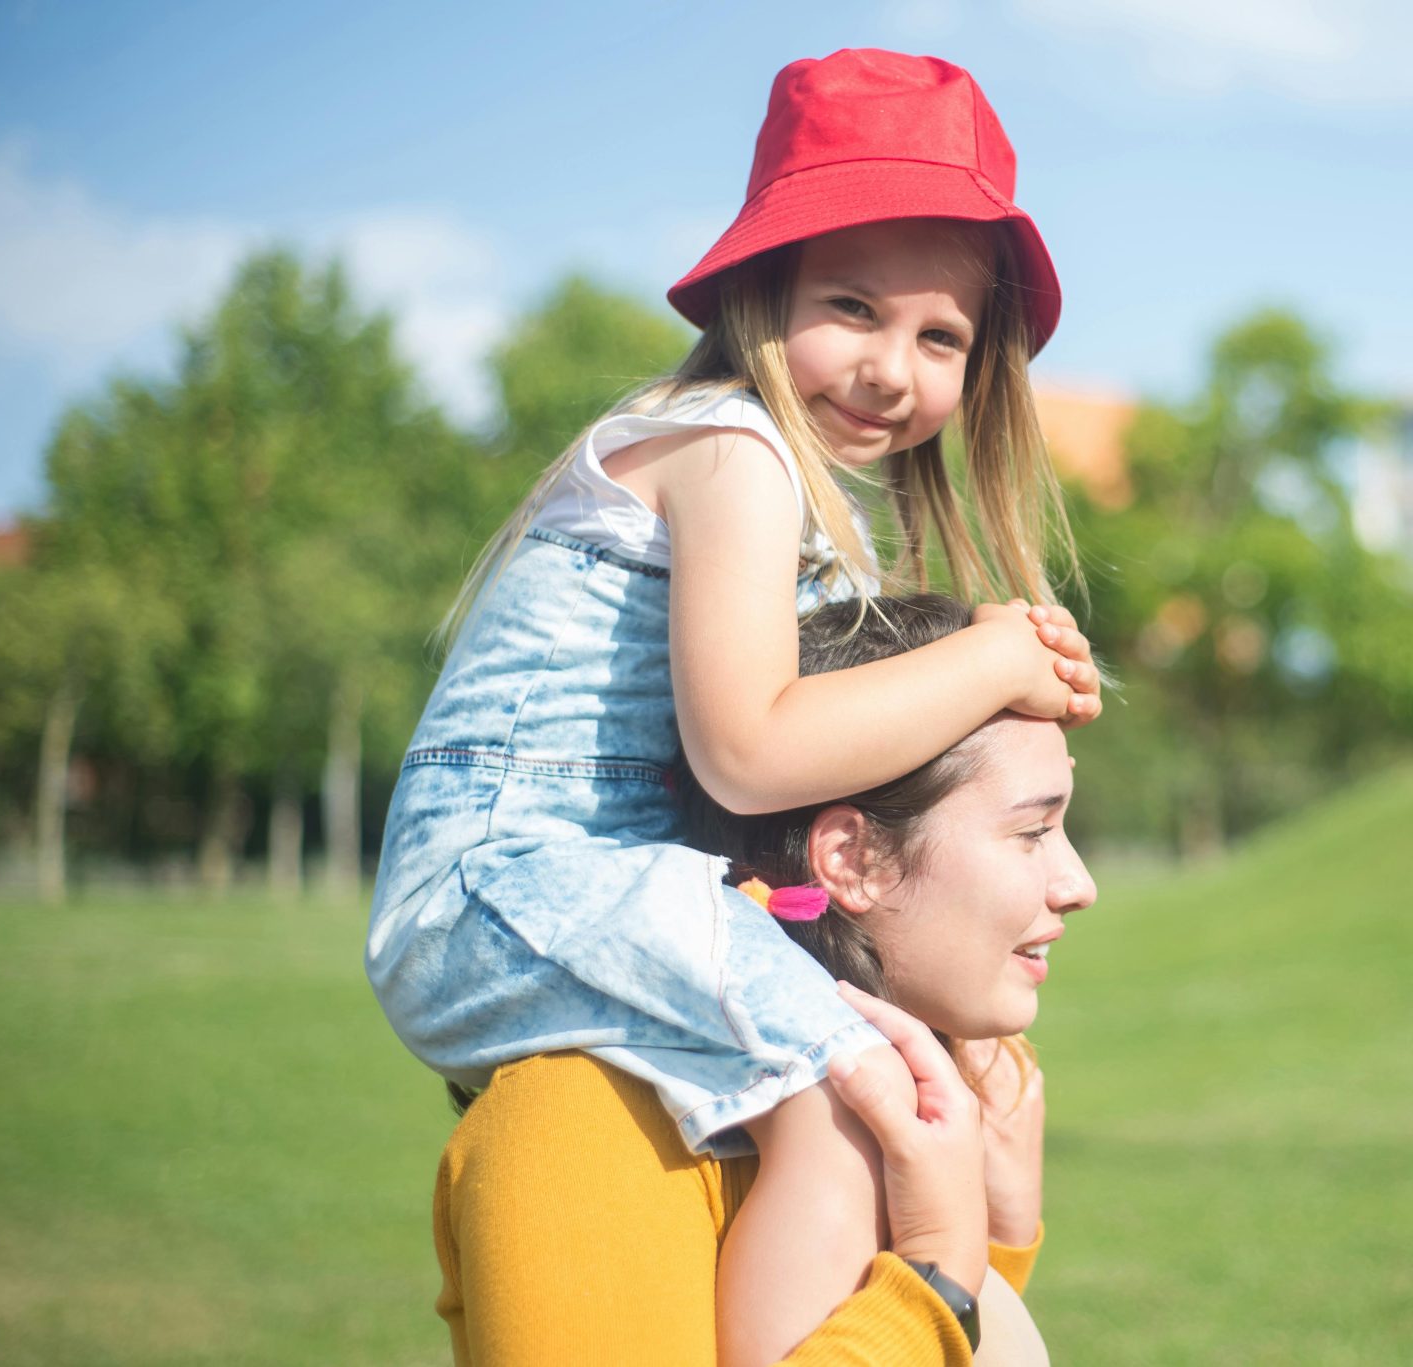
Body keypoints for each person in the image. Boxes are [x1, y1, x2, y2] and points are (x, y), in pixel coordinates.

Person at [365, 49, 1102, 1365]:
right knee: (841, 1088)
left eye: (941, 337)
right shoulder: (731, 447)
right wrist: (991, 658)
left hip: (587, 881)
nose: (892, 368)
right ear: (763, 289)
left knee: (872, 1088)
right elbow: (754, 750)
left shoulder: (805, 507)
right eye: (853, 307)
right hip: (510, 879)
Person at [432, 596, 1095, 1363]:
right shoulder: (583, 1123)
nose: (1079, 882)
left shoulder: (918, 1129)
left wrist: (997, 1245)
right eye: (1033, 831)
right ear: (850, 859)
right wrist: (937, 1274)